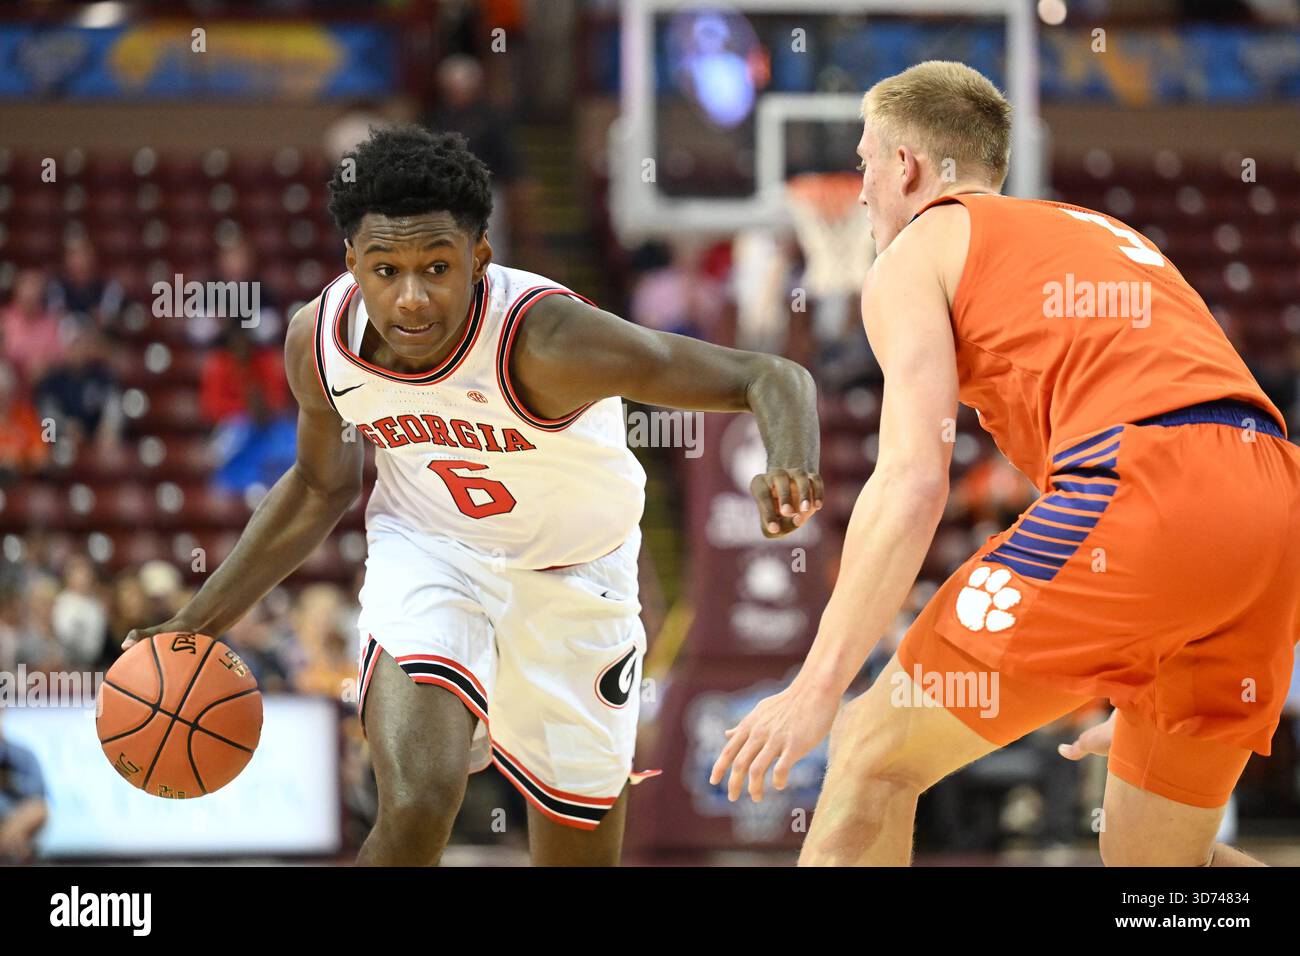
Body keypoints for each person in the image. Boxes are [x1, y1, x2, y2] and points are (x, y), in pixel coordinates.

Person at [124, 126, 823, 866]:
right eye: (386, 270)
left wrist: (791, 461)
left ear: (479, 258)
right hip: (431, 553)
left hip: (577, 578)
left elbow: (770, 376)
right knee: (419, 802)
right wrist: (198, 621)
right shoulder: (319, 343)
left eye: (437, 267)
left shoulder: (548, 340)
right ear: (352, 263)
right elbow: (319, 486)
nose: (412, 298)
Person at [711, 60, 1300, 867]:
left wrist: (817, 687)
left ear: (905, 166)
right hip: (1270, 502)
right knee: (1159, 871)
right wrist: (1142, 643)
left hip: (1151, 486)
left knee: (869, 752)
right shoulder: (1095, 234)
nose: (859, 191)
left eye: (863, 163)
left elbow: (912, 480)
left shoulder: (918, 251)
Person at [0, 709, 49, 864]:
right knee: (19, 845)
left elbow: (39, 793)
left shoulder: (23, 754)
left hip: (14, 818)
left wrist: (9, 781)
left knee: (38, 810)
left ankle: (8, 848)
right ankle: (15, 850)